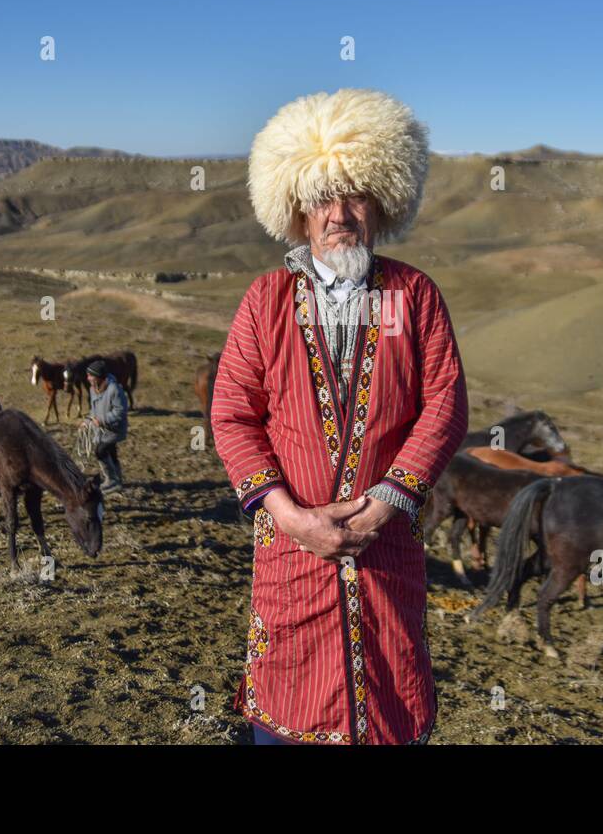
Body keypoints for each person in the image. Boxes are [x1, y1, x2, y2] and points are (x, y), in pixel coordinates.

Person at [211, 88, 469, 745]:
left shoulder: (413, 296)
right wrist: (290, 515)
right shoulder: (265, 301)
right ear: (297, 210)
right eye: (322, 198)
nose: (339, 214)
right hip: (292, 558)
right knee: (286, 717)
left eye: (354, 195)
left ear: (383, 200)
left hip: (386, 555)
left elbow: (444, 404)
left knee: (387, 710)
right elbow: (233, 415)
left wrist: (387, 501)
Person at [82, 360, 128, 496]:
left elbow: (120, 412)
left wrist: (102, 420)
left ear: (98, 376)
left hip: (114, 428)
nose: (88, 378)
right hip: (101, 428)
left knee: (100, 451)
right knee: (111, 452)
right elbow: (94, 410)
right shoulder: (92, 389)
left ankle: (111, 480)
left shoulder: (115, 389)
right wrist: (87, 420)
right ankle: (118, 480)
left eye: (90, 376)